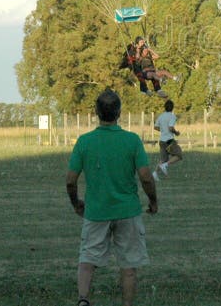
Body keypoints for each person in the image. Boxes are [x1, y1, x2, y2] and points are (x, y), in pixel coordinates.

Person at [66, 89, 158, 306]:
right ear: (119, 112)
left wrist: (76, 203)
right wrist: (153, 200)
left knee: (87, 258)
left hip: (96, 211)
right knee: (128, 265)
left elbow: (70, 180)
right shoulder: (132, 140)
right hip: (128, 211)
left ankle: (83, 300)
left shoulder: (85, 141)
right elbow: (145, 176)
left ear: (97, 112)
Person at [153, 99, 183, 180]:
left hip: (162, 141)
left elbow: (155, 127)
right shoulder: (172, 116)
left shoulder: (161, 116)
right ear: (172, 108)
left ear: (165, 107)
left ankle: (155, 174)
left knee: (163, 159)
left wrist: (162, 130)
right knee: (179, 155)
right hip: (169, 141)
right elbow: (170, 128)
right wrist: (176, 133)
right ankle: (165, 165)